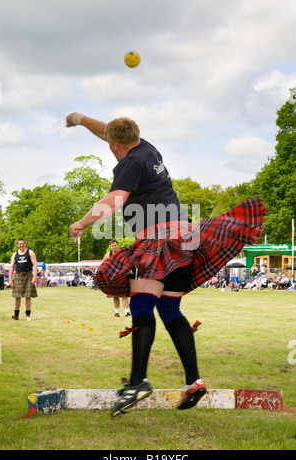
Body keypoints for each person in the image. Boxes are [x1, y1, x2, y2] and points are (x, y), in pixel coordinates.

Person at [66, 112, 266, 417]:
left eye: (110, 141)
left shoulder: (130, 163)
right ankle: (193, 382)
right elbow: (107, 130)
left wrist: (82, 223)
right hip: (184, 241)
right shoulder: (146, 147)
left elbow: (116, 199)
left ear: (116, 144)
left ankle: (137, 382)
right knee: (170, 309)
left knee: (142, 307)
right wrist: (81, 119)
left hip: (157, 242)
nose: (107, 141)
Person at [9, 238, 38, 321]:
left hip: (28, 276)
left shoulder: (30, 252)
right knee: (17, 297)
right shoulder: (15, 254)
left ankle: (28, 315)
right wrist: (10, 279)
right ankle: (16, 315)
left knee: (28, 296)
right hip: (18, 276)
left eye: (22, 243)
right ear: (18, 245)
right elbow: (11, 267)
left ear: (25, 244)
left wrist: (34, 276)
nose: (21, 245)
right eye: (20, 244)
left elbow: (35, 265)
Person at [103, 240, 131, 317]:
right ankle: (117, 313)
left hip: (123, 277)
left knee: (124, 295)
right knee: (115, 296)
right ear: (111, 246)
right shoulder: (108, 255)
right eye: (112, 246)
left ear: (118, 245)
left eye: (115, 245)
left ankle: (127, 312)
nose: (114, 247)